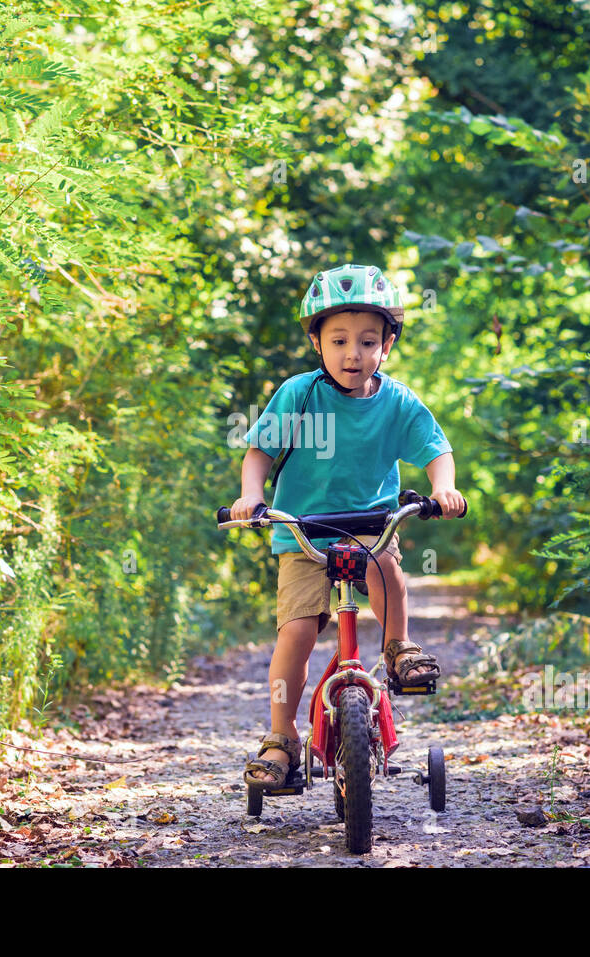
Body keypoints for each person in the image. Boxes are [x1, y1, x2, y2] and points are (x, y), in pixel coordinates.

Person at [229, 263, 465, 788]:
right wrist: (252, 497)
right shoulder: (298, 395)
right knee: (295, 632)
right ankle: (281, 738)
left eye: (367, 341)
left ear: (387, 345)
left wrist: (443, 487)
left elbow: (436, 449)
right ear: (318, 343)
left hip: (371, 528)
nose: (352, 353)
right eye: (338, 340)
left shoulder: (398, 401)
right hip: (302, 534)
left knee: (386, 570)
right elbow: (258, 452)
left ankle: (399, 648)